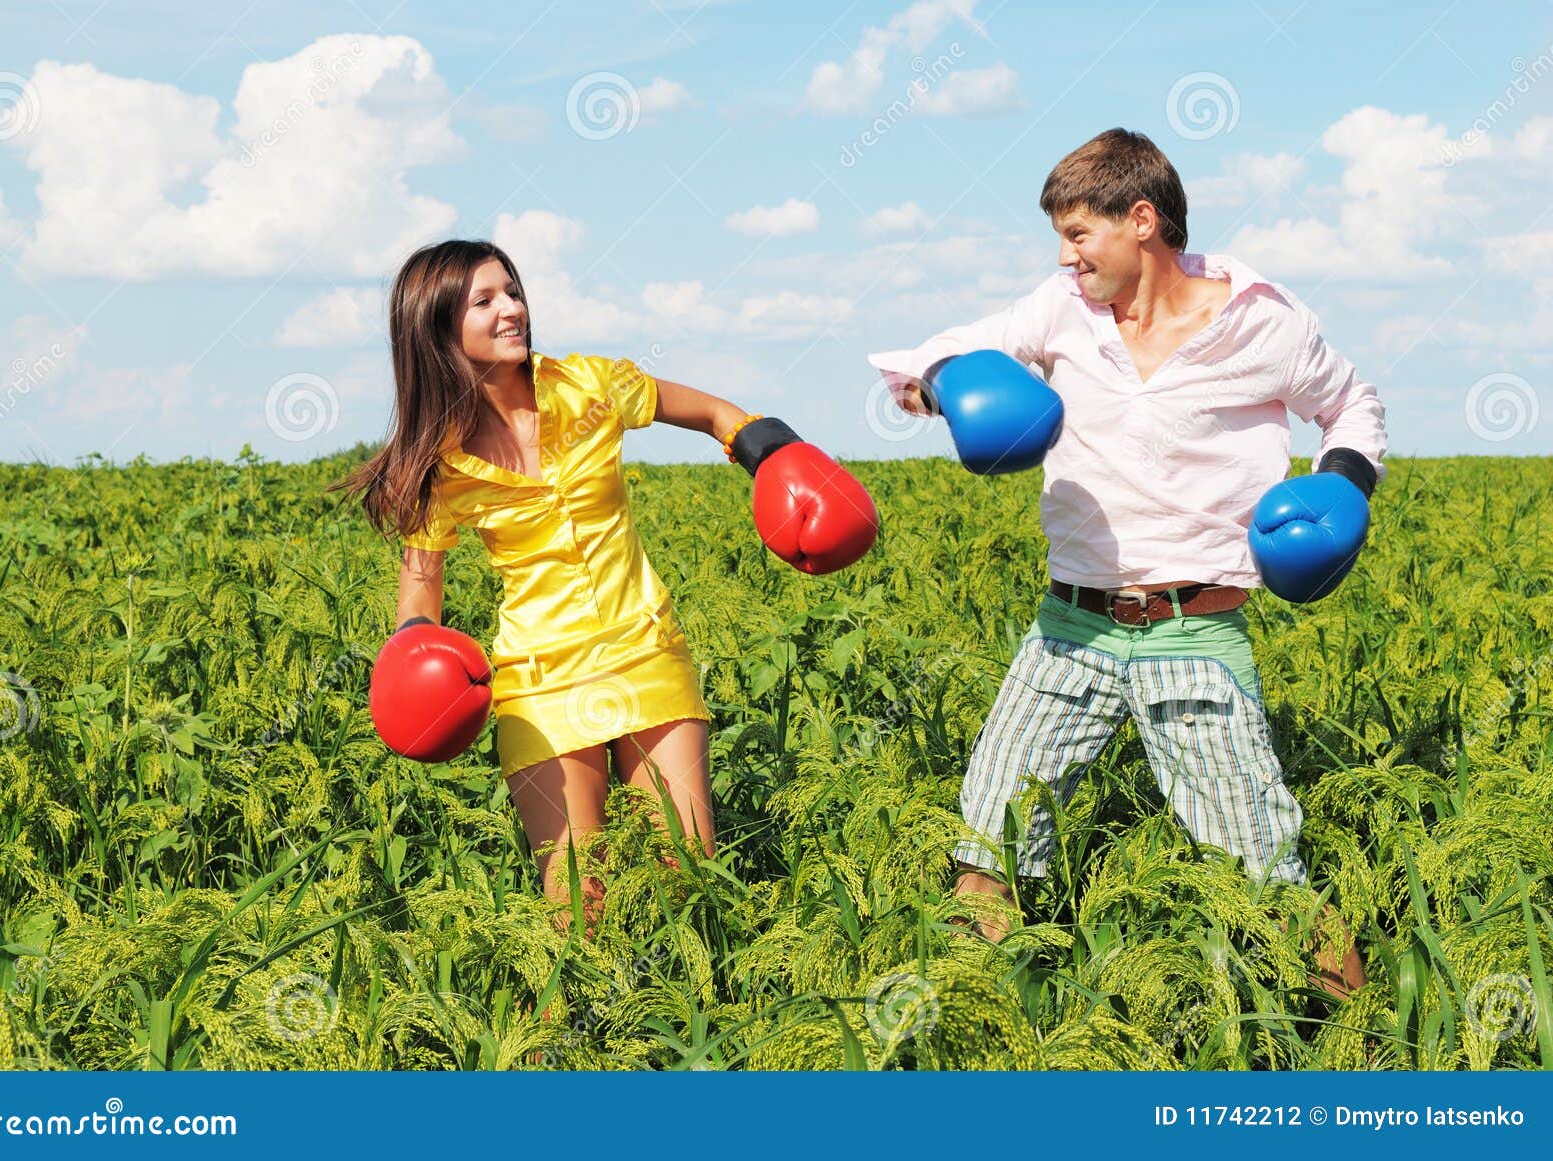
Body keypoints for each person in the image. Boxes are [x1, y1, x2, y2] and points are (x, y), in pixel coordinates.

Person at [866, 128, 1385, 996]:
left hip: (1193, 630)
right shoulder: (1059, 309)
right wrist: (948, 381)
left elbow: (1352, 401)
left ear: (1141, 221)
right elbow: (939, 352)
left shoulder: (1262, 322)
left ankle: (1371, 1047)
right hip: (1069, 630)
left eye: (1078, 234)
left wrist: (1345, 481)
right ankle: (968, 1032)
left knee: (1266, 878)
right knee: (988, 849)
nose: (1064, 257)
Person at [333, 240, 877, 929]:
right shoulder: (441, 464)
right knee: (578, 910)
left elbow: (714, 414)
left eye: (512, 291)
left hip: (646, 652)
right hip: (541, 684)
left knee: (687, 884)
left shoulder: (592, 384)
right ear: (438, 328)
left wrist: (774, 454)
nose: (511, 309)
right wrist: (414, 647)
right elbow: (421, 584)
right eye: (485, 301)